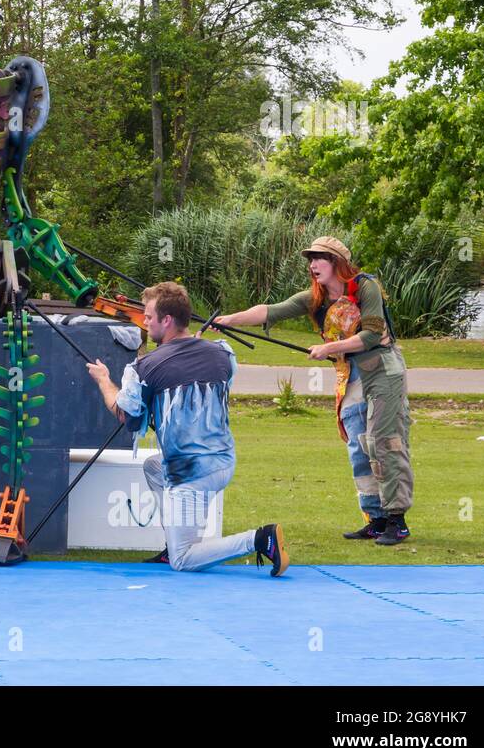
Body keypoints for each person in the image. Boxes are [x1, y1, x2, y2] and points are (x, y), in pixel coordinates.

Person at [214, 236, 412, 545]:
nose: (313, 264)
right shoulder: (314, 298)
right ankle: (376, 519)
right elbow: (269, 311)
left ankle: (396, 520)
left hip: (383, 370)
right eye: (311, 259)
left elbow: (373, 334)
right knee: (358, 447)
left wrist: (328, 347)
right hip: (349, 373)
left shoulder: (365, 287)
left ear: (337, 263)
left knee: (383, 441)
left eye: (320, 258)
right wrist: (228, 320)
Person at [86, 281, 289, 576]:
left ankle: (260, 539)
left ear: (167, 321)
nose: (145, 321)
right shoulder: (222, 354)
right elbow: (204, 378)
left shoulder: (143, 368)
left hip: (191, 474)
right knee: (154, 467)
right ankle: (174, 541)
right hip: (223, 463)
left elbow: (124, 415)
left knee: (185, 560)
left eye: (149, 317)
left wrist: (104, 380)